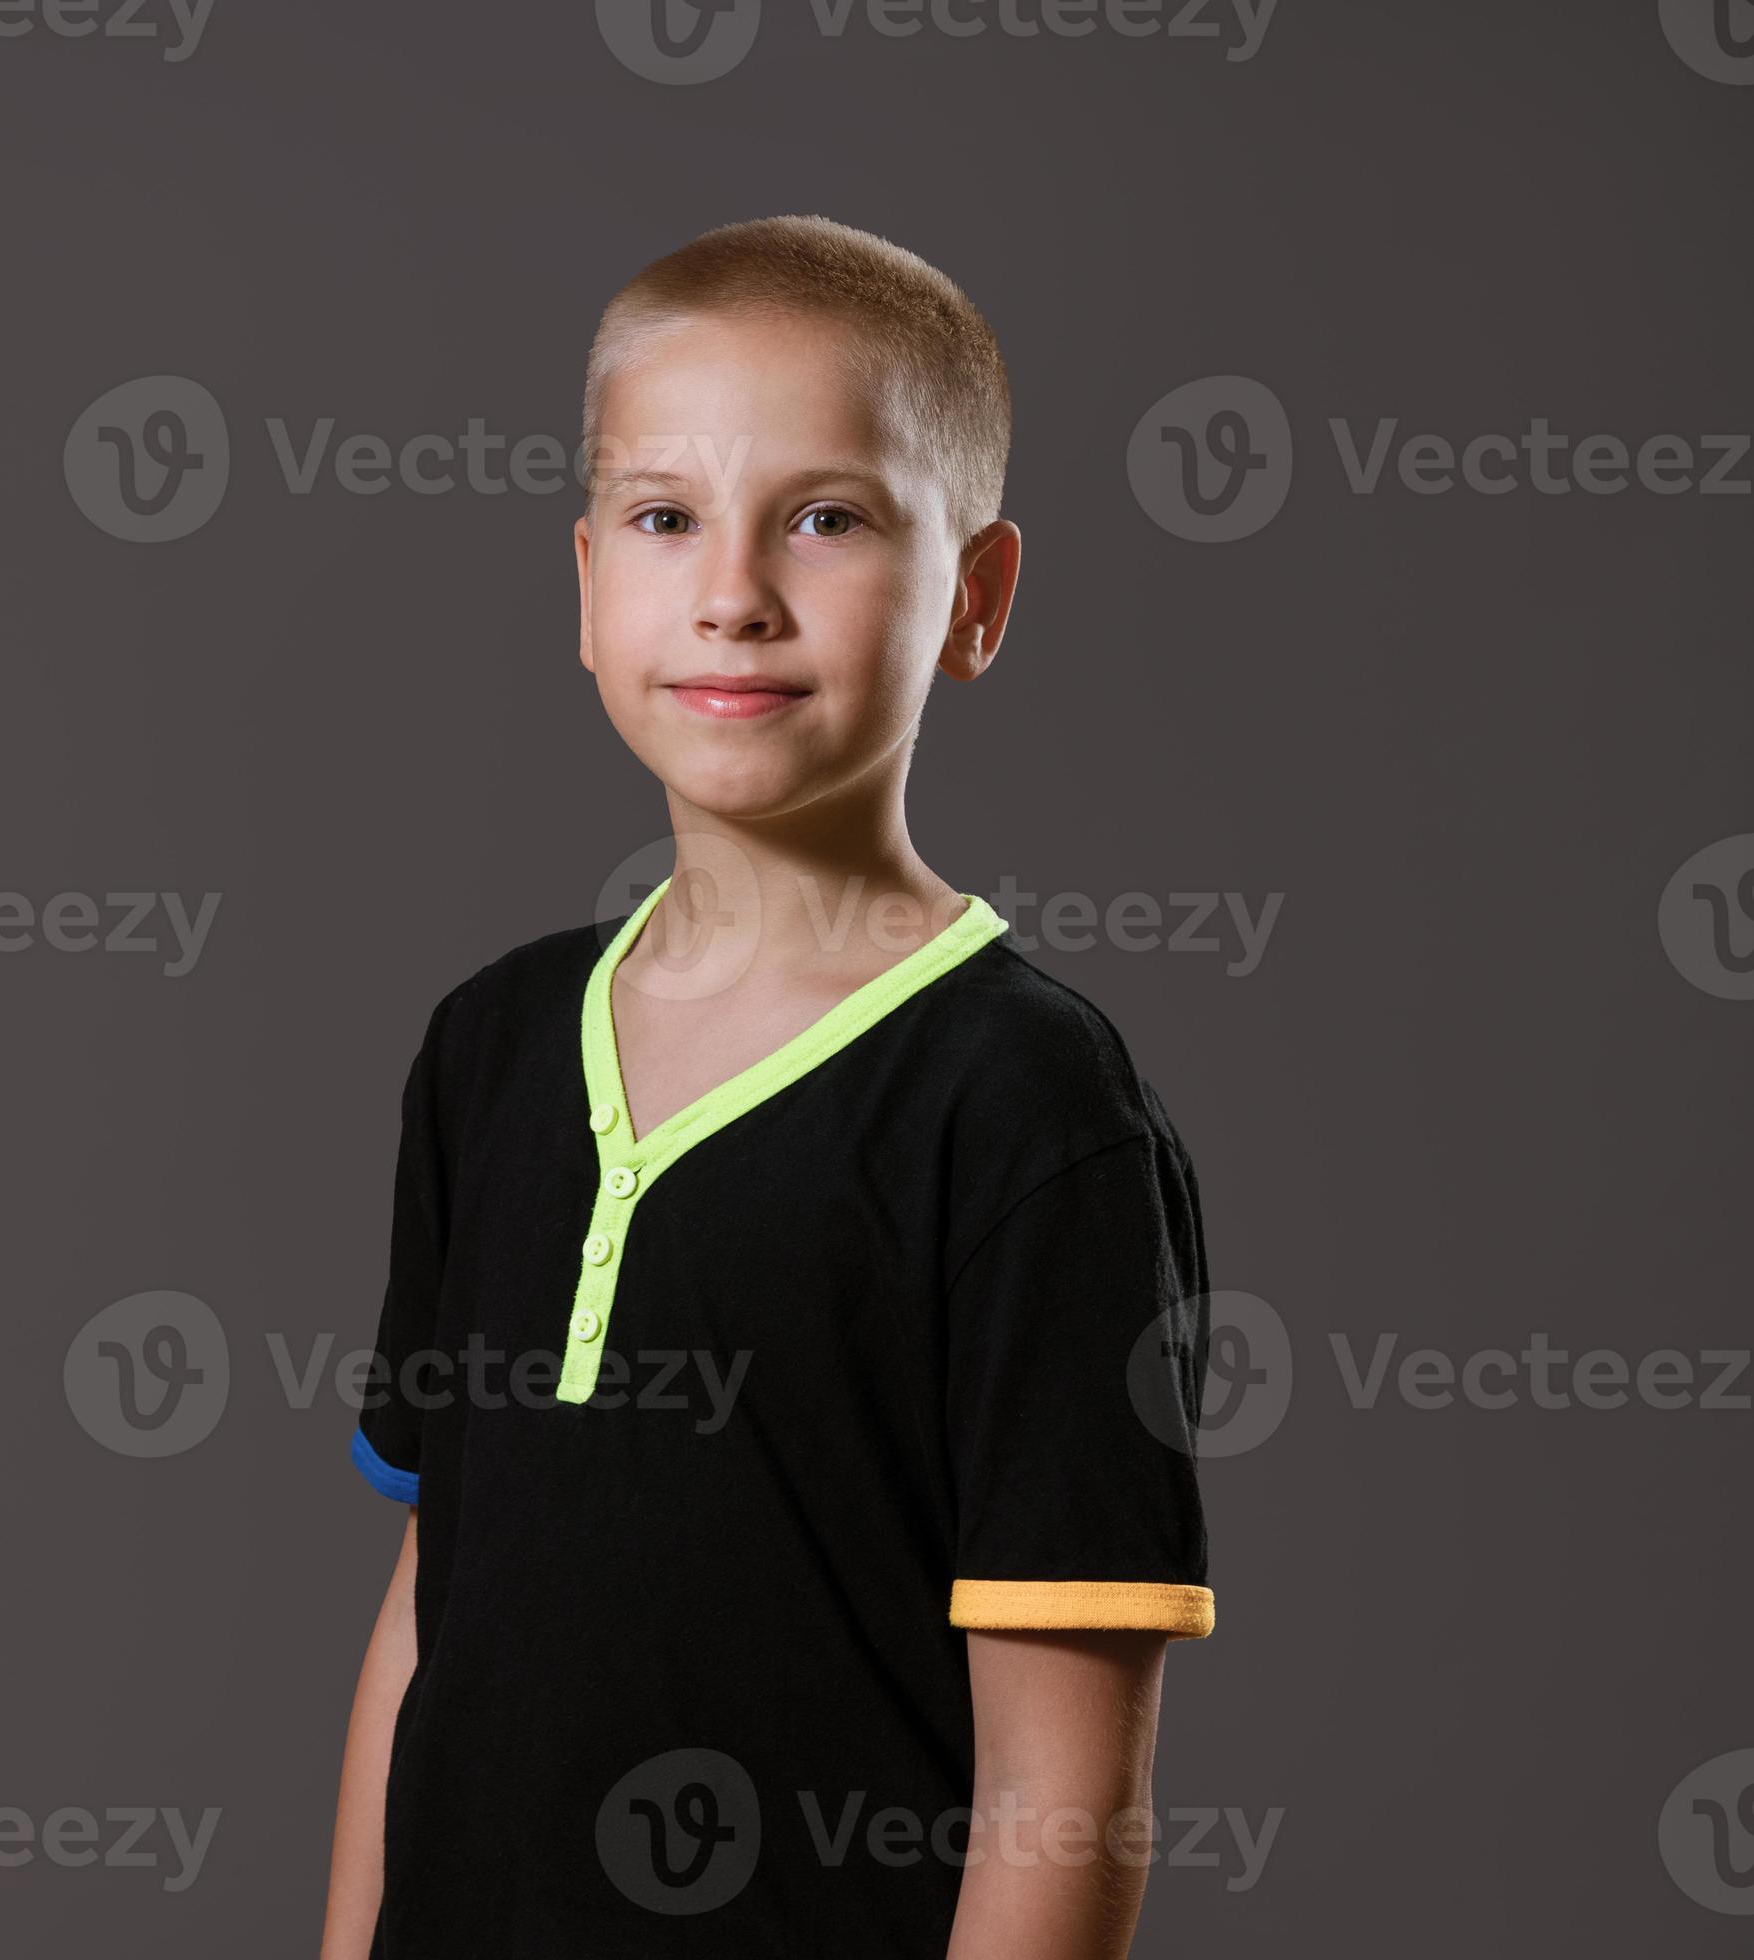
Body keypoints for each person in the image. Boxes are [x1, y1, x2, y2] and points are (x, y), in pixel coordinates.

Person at [318, 215, 1216, 1959]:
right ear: (586, 588)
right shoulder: (488, 1050)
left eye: (827, 517)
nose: (733, 589)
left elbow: (1064, 1787)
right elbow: (431, 1613)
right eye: (665, 519)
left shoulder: (1031, 1110)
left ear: (977, 595)